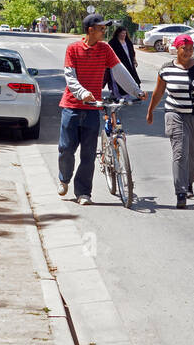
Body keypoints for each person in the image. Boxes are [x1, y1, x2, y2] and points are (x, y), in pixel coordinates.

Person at [58, 14, 146, 205]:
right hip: (72, 107)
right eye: (101, 28)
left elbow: (120, 71)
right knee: (66, 149)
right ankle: (64, 178)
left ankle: (83, 193)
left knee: (88, 154)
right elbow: (70, 76)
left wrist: (136, 90)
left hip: (92, 109)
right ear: (90, 30)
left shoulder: (105, 49)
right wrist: (82, 93)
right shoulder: (73, 48)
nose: (104, 31)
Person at [146, 34, 194, 209]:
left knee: (193, 152)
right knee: (180, 152)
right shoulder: (166, 69)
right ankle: (180, 192)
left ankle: (189, 183)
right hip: (175, 114)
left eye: (190, 49)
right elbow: (158, 92)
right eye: (184, 49)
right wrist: (150, 111)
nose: (188, 52)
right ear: (176, 49)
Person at [105, 25, 140, 100]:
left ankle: (137, 93)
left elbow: (132, 52)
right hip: (118, 64)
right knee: (118, 79)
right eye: (122, 33)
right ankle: (118, 95)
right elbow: (109, 54)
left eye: (125, 33)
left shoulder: (128, 42)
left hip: (129, 63)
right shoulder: (113, 42)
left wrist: (134, 60)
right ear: (118, 33)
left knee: (132, 78)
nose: (123, 35)